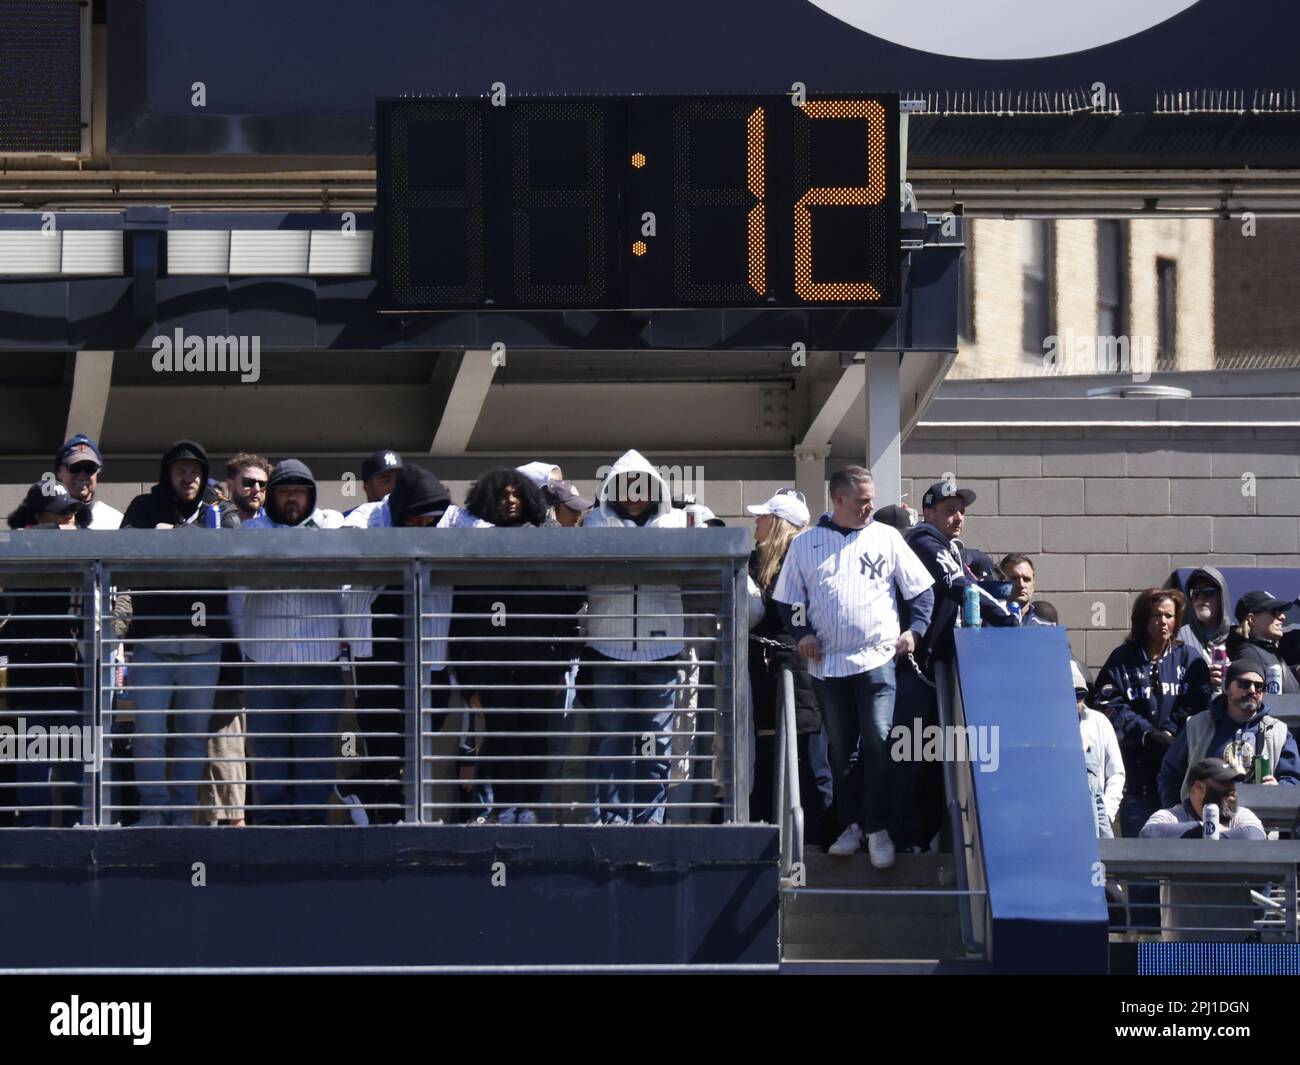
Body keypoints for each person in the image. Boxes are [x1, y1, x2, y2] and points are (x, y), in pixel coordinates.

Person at [774, 466, 935, 868]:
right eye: (862, 500)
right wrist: (803, 633)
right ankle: (851, 826)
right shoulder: (805, 544)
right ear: (839, 500)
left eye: (871, 499)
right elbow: (788, 599)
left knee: (879, 740)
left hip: (878, 658)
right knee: (840, 749)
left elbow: (921, 590)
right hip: (828, 664)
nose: (870, 507)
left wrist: (914, 631)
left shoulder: (887, 537)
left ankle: (878, 827)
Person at [444, 468, 578, 824]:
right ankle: (504, 808)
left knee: (534, 737)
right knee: (501, 737)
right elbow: (462, 615)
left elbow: (568, 603)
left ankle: (528, 809)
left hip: (538, 662)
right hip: (491, 665)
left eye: (517, 495)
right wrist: (467, 676)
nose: (511, 501)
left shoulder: (548, 535)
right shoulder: (474, 539)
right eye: (503, 495)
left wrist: (559, 661)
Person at [120, 441, 240, 826]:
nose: (188, 478)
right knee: (149, 736)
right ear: (167, 475)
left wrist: (183, 543)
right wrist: (160, 539)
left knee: (192, 737)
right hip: (152, 645)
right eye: (180, 470)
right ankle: (154, 810)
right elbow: (122, 561)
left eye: (194, 471)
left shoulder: (220, 511)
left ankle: (183, 813)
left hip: (204, 647)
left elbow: (236, 558)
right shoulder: (143, 508)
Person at [896, 480, 1010, 852]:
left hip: (934, 669)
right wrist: (1009, 619)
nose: (958, 516)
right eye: (948, 509)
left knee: (934, 755)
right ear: (928, 513)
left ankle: (927, 838)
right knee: (911, 752)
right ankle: (906, 840)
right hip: (911, 668)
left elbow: (972, 574)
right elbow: (960, 585)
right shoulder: (924, 541)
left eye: (961, 509)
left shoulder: (953, 548)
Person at [232, 460, 346, 824]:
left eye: (299, 491)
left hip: (322, 662)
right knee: (267, 753)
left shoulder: (331, 528)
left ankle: (312, 830)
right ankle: (272, 831)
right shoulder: (252, 532)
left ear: (310, 496)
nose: (292, 498)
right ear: (271, 497)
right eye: (284, 491)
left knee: (316, 753)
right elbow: (236, 597)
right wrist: (243, 653)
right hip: (264, 662)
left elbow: (346, 591)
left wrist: (344, 649)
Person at [582, 449, 688, 824]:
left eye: (643, 485)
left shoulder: (677, 524)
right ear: (613, 489)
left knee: (654, 743)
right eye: (626, 485)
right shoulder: (593, 523)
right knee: (610, 741)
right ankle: (611, 822)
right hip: (607, 649)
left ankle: (650, 823)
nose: (635, 492)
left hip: (661, 652)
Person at [344, 463, 454, 822]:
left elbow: (481, 529)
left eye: (431, 519)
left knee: (428, 720)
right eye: (417, 518)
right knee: (382, 730)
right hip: (378, 641)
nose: (425, 525)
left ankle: (362, 790)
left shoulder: (449, 518)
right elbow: (346, 536)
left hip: (427, 644)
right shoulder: (372, 514)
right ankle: (388, 814)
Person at [746, 489, 835, 844]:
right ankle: (773, 839)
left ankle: (817, 841)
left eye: (763, 516)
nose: (756, 521)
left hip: (801, 676)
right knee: (767, 759)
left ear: (779, 524)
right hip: (768, 676)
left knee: (811, 762)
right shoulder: (754, 562)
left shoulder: (803, 565)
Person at [0, 483, 92, 826]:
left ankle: (70, 846)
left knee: (73, 771)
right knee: (33, 770)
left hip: (70, 675)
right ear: (39, 517)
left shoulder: (83, 549)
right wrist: (50, 534)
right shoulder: (19, 547)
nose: (70, 519)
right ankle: (33, 846)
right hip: (31, 677)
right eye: (60, 513)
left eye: (72, 512)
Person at [1095, 588, 1213, 837]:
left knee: (1179, 850)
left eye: (1169, 616)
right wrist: (1146, 732)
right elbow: (1107, 703)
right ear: (1142, 619)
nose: (1163, 622)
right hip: (1137, 777)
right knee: (1139, 848)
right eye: (1156, 616)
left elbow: (1197, 703)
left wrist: (1171, 731)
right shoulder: (1122, 659)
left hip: (1180, 776)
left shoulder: (1189, 658)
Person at [1140, 757, 1266, 942]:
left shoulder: (1240, 816)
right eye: (1223, 782)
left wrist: (1212, 834)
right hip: (1183, 951)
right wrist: (1203, 828)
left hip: (1236, 948)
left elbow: (1254, 837)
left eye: (1232, 781)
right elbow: (1148, 835)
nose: (1232, 788)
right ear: (1199, 788)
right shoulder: (1172, 816)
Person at [1158, 660, 1300, 806]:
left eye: (1259, 686)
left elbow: (1293, 780)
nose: (1252, 690)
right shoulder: (1197, 725)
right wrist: (1179, 813)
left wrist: (1279, 789)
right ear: (1226, 687)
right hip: (1202, 819)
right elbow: (1170, 773)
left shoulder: (1279, 731)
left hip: (1259, 823)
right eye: (1244, 684)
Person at [1073, 661, 1123, 838]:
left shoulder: (1098, 722)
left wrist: (1107, 810)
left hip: (1097, 812)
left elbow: (1116, 772)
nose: (1076, 701)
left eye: (1080, 695)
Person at [1226, 589, 1300, 694]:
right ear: (1252, 619)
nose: (1283, 617)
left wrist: (1294, 671)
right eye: (1275, 612)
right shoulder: (1247, 654)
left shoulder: (1264, 650)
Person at [54, 433, 122, 530]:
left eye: (90, 468)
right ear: (59, 472)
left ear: (97, 473)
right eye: (75, 467)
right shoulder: (46, 516)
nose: (82, 476)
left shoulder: (114, 519)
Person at [1177, 567, 1231, 673]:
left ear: (1221, 598)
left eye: (1208, 592)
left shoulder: (1237, 636)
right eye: (1195, 593)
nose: (1201, 598)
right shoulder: (1180, 637)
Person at [999, 553, 1048, 625]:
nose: (1021, 585)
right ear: (1001, 582)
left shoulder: (1046, 628)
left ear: (1033, 585)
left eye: (1026, 579)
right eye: (1014, 579)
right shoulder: (985, 625)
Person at [225, 452, 271, 523]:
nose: (257, 489)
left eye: (262, 484)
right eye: (249, 482)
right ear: (230, 486)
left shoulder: (276, 525)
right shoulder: (214, 522)